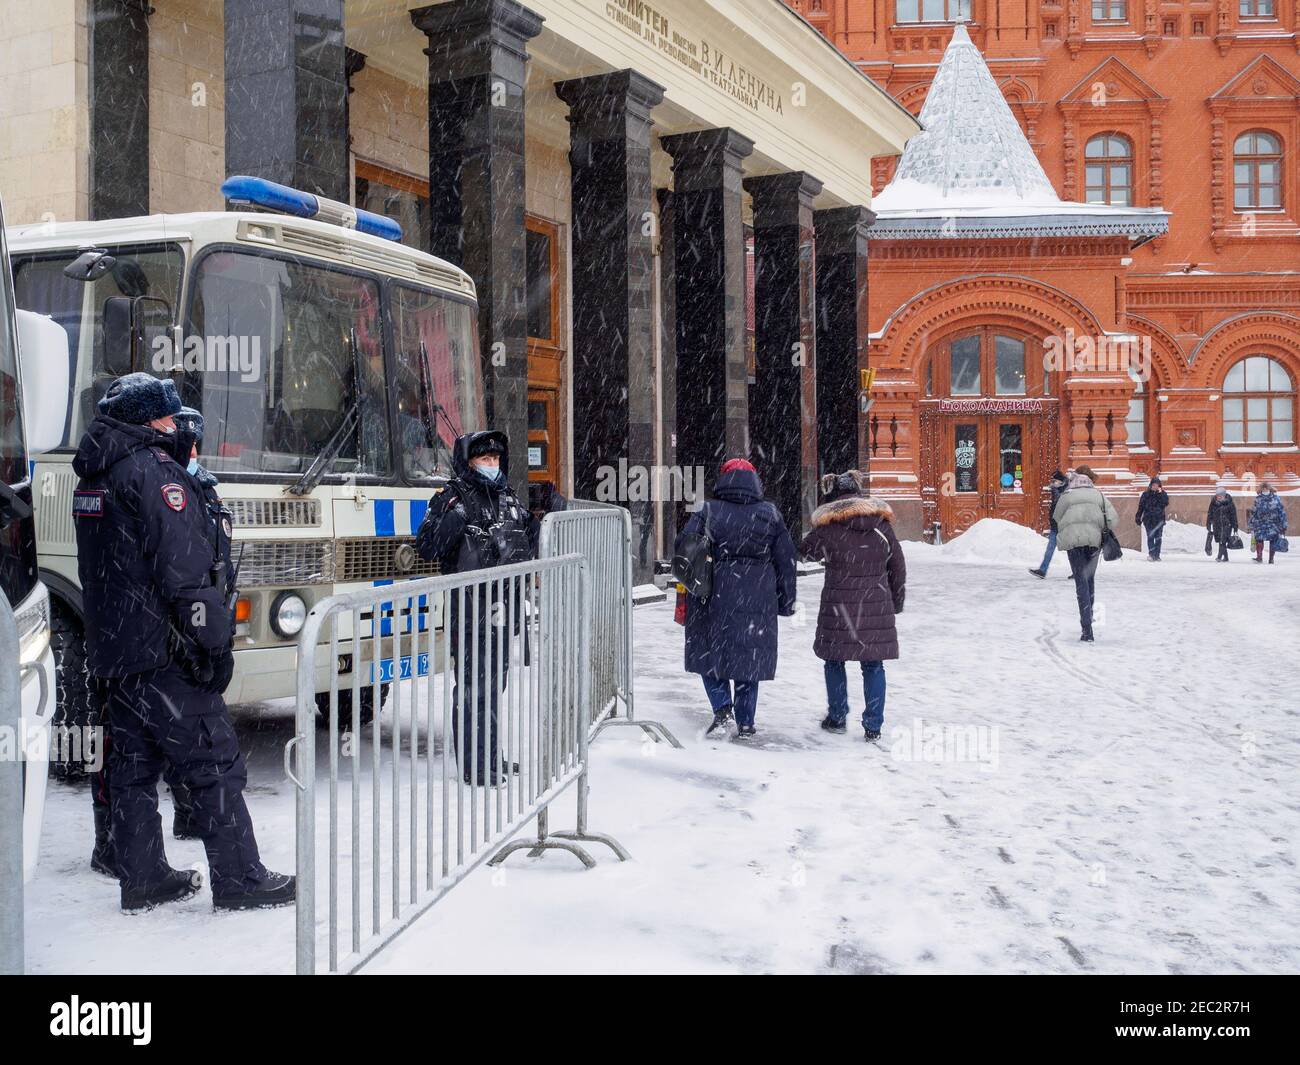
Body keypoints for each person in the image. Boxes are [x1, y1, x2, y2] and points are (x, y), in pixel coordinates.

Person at [73, 373, 293, 912]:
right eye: (169, 419)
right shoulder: (154, 473)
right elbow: (185, 572)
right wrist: (214, 643)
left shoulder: (93, 477)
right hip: (166, 652)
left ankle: (143, 877)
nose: (176, 427)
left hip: (116, 653)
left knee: (131, 771)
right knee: (213, 762)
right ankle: (240, 879)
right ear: (150, 420)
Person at [415, 430, 538, 784]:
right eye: (485, 460)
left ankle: (491, 754)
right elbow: (426, 546)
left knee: (495, 685)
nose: (492, 465)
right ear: (469, 462)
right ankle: (473, 764)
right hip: (468, 614)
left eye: (496, 460)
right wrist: (453, 521)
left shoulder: (507, 497)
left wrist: (539, 525)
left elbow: (528, 540)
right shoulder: (451, 497)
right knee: (471, 689)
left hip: (503, 609)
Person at [675, 458, 796, 739]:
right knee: (748, 658)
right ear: (755, 482)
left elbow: (683, 546)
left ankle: (722, 709)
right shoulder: (770, 514)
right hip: (758, 596)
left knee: (708, 653)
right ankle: (746, 721)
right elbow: (786, 560)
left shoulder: (708, 510)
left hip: (712, 593)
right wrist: (786, 600)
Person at [799, 471, 905, 743]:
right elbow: (897, 565)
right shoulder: (881, 524)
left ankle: (837, 716)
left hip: (838, 606)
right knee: (873, 665)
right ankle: (873, 725)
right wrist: (896, 600)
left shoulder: (828, 527)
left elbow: (804, 551)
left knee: (834, 661)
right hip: (876, 603)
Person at [1052, 464, 1119, 642]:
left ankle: (1086, 627)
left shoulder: (1067, 496)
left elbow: (1056, 516)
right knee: (1089, 580)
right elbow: (1113, 519)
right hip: (1094, 542)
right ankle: (1089, 619)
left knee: (1080, 582)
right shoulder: (1099, 495)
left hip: (1074, 543)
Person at [1028, 469, 1068, 578]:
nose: (1052, 482)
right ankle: (1043, 570)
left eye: (1054, 480)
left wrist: (1055, 491)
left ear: (1060, 481)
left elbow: (1060, 504)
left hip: (1065, 526)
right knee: (1050, 548)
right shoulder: (1058, 489)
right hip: (1056, 525)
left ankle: (1078, 572)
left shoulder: (1066, 491)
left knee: (1071, 550)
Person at [1248, 481, 1288, 564]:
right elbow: (1254, 512)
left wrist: (1284, 524)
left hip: (1273, 524)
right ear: (1261, 489)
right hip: (1260, 523)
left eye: (1266, 488)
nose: (1265, 490)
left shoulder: (1276, 498)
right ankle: (1259, 557)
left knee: (1273, 541)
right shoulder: (1258, 499)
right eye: (1263, 488)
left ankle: (1271, 559)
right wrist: (1251, 522)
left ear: (1270, 489)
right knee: (1259, 540)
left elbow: (1281, 512)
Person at [1135, 476, 1170, 561]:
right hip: (1148, 520)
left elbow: (1165, 503)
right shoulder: (1146, 494)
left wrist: (1161, 494)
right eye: (1153, 485)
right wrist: (1138, 517)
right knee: (1150, 537)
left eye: (1157, 485)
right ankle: (1151, 554)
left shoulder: (1163, 494)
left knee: (1158, 538)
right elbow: (1141, 507)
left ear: (1159, 486)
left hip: (1159, 520)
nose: (1155, 486)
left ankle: (1157, 555)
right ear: (1150, 485)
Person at [1206, 486, 1238, 563]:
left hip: (1227, 525)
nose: (1218, 497)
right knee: (1220, 540)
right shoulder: (1213, 502)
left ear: (1224, 495)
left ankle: (1219, 557)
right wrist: (1208, 523)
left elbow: (1233, 515)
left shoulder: (1229, 503)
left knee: (1222, 541)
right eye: (1217, 495)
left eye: (1220, 495)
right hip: (1217, 525)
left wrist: (1235, 526)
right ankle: (1226, 557)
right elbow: (1210, 513)